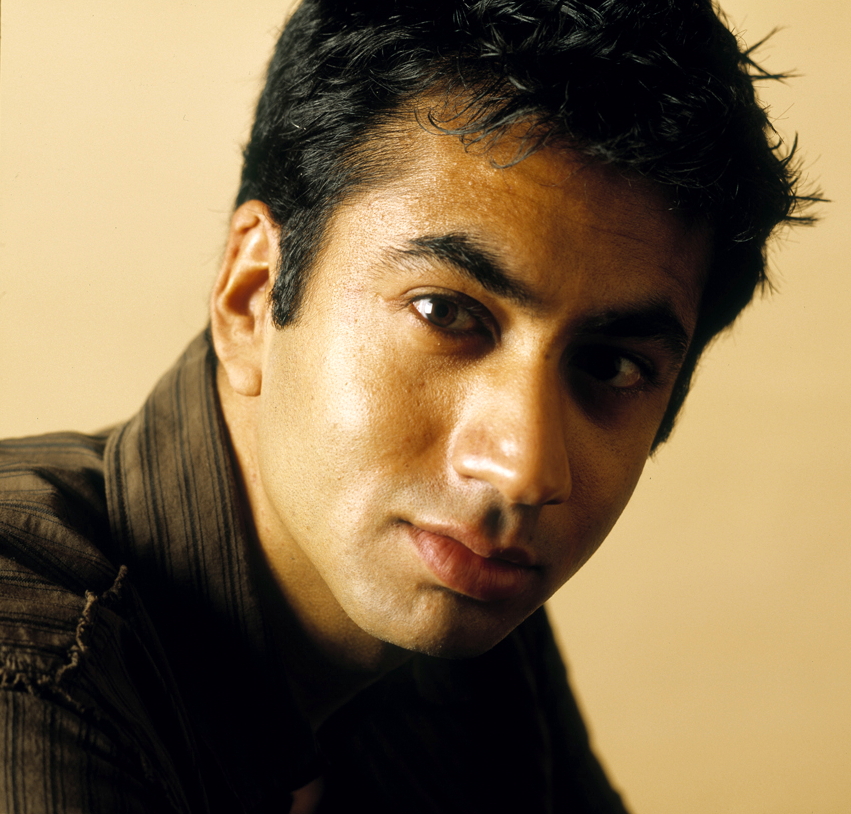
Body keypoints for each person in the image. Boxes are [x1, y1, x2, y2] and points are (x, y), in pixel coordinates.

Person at [0, 0, 813, 812]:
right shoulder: (31, 670)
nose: (523, 470)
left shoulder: (461, 602)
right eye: (445, 312)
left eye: (609, 365)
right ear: (251, 296)